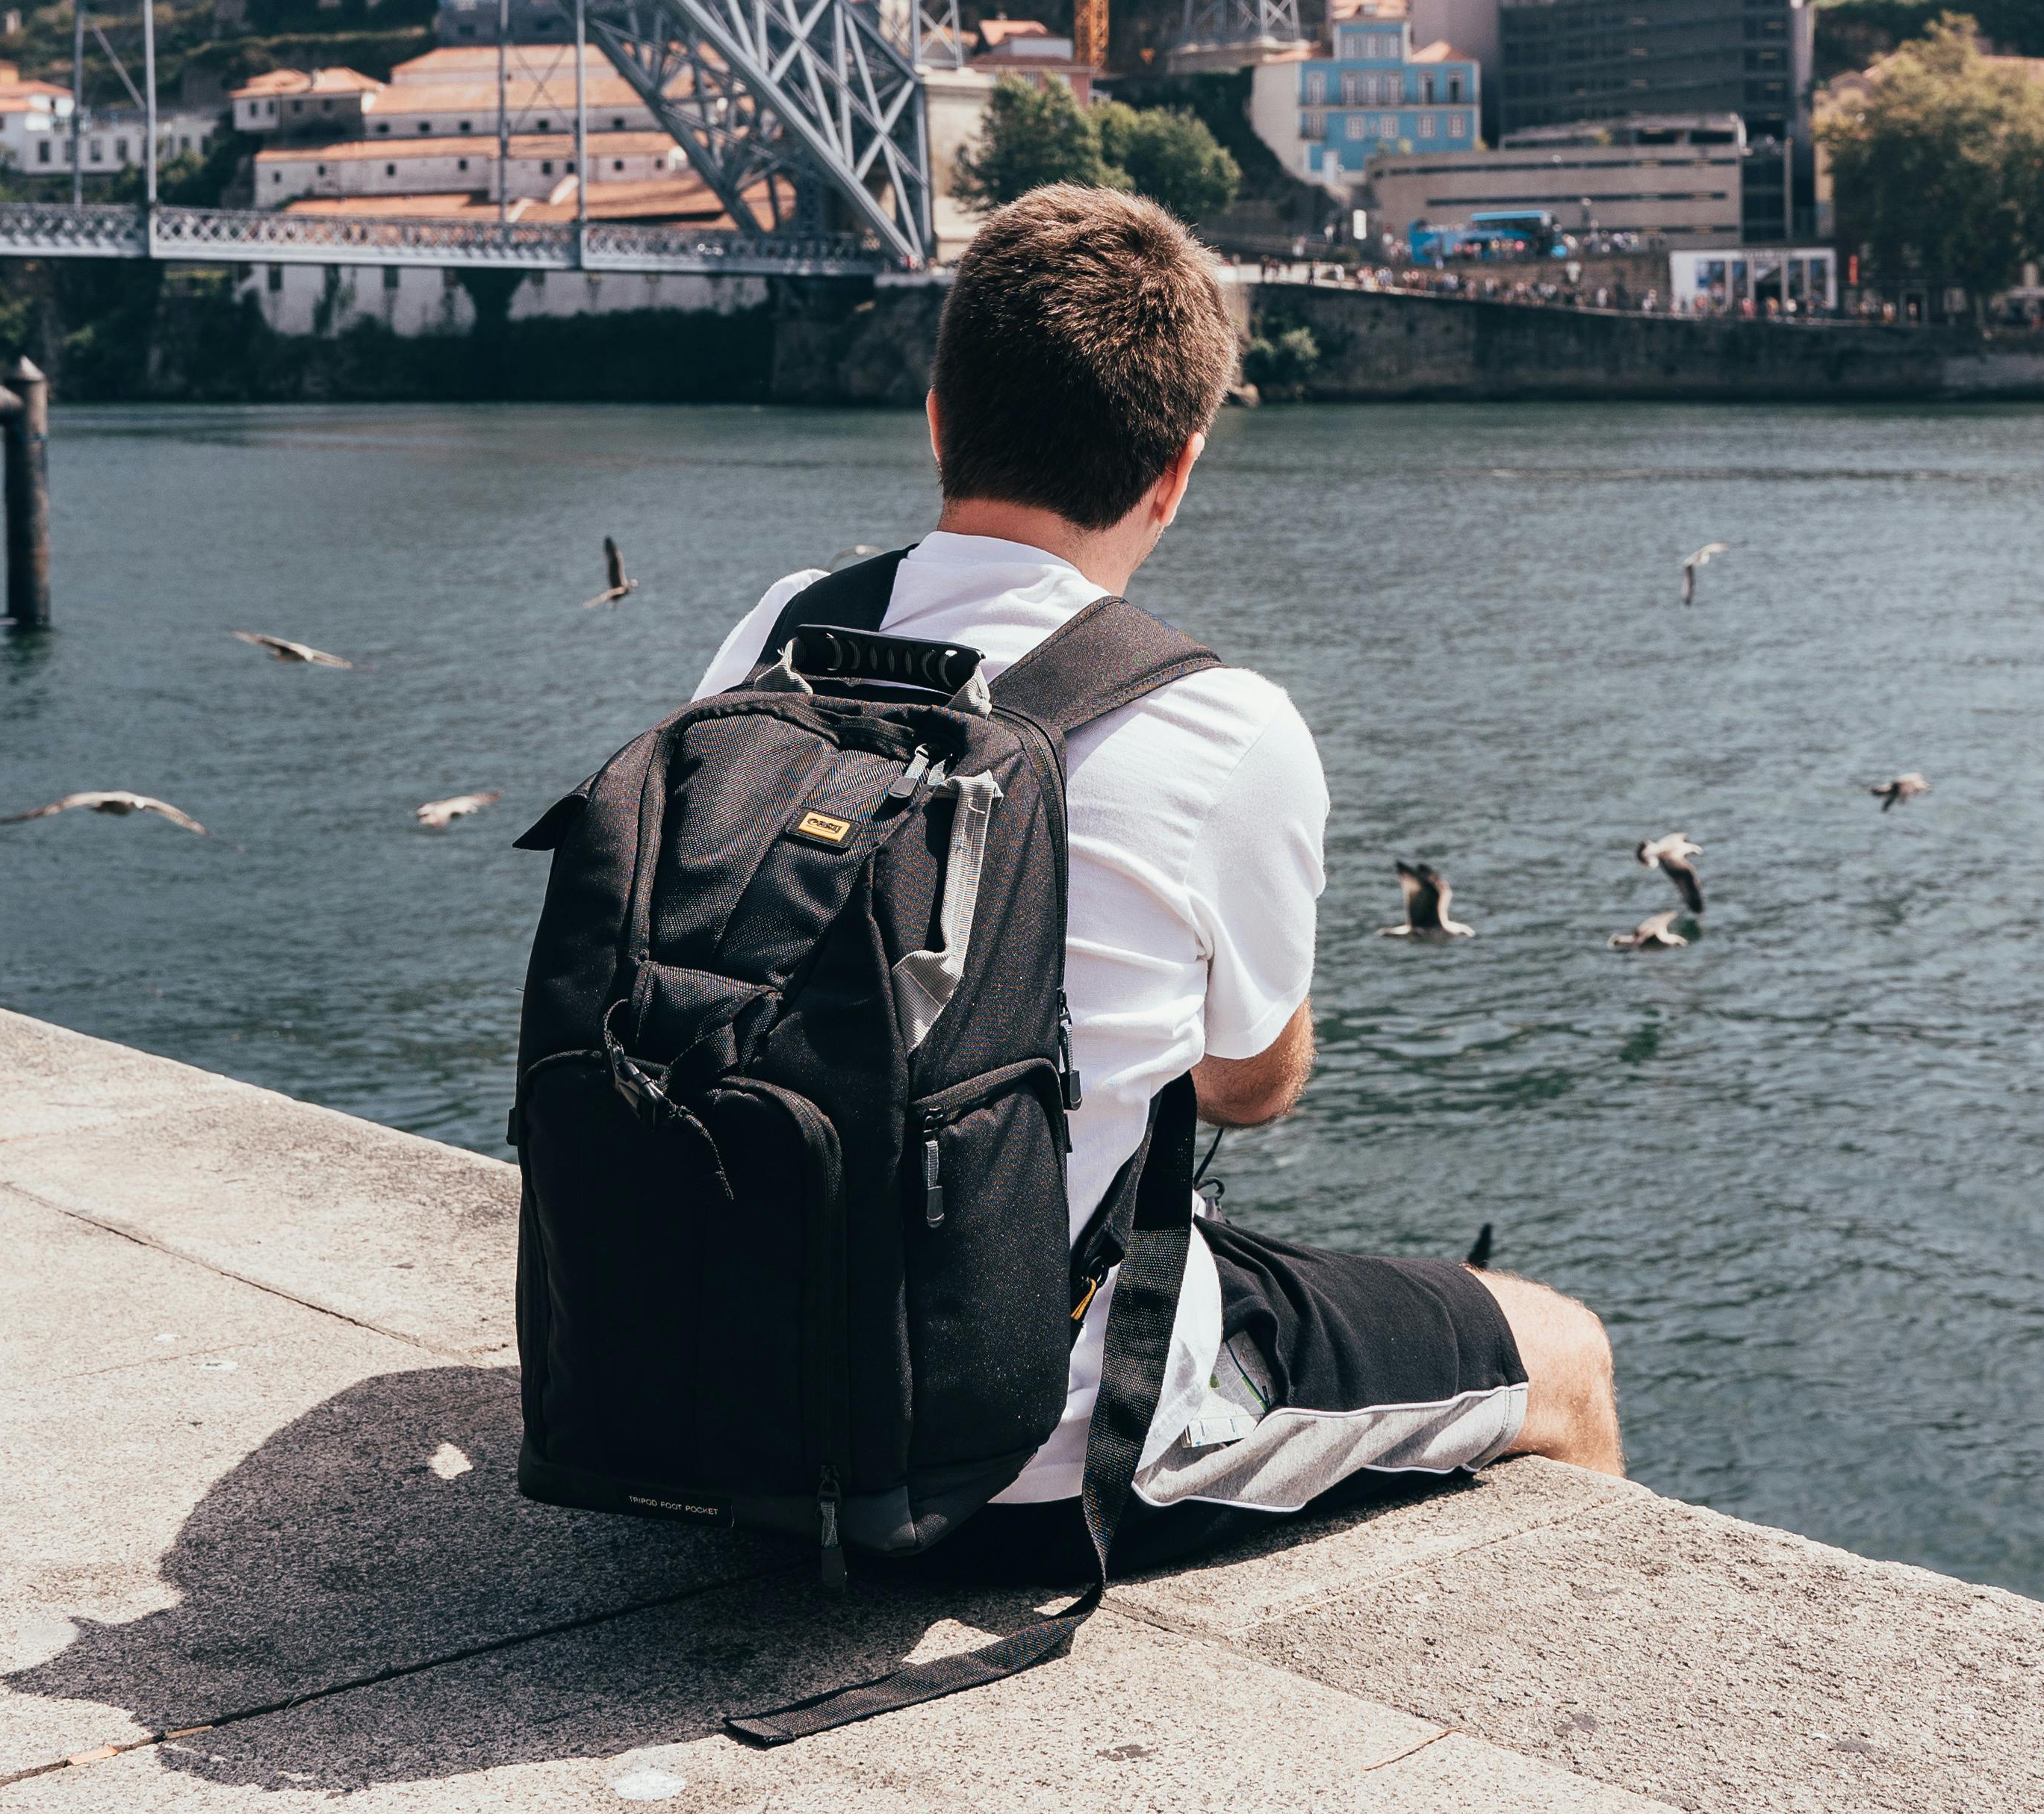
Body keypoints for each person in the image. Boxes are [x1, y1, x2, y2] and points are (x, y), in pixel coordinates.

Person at [692, 181, 1621, 1565]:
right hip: (1022, 1466)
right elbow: (1251, 1082)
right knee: (1569, 1352)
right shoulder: (1221, 724)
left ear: (938, 418)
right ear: (1177, 472)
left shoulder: (783, 628)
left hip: (711, 1405)